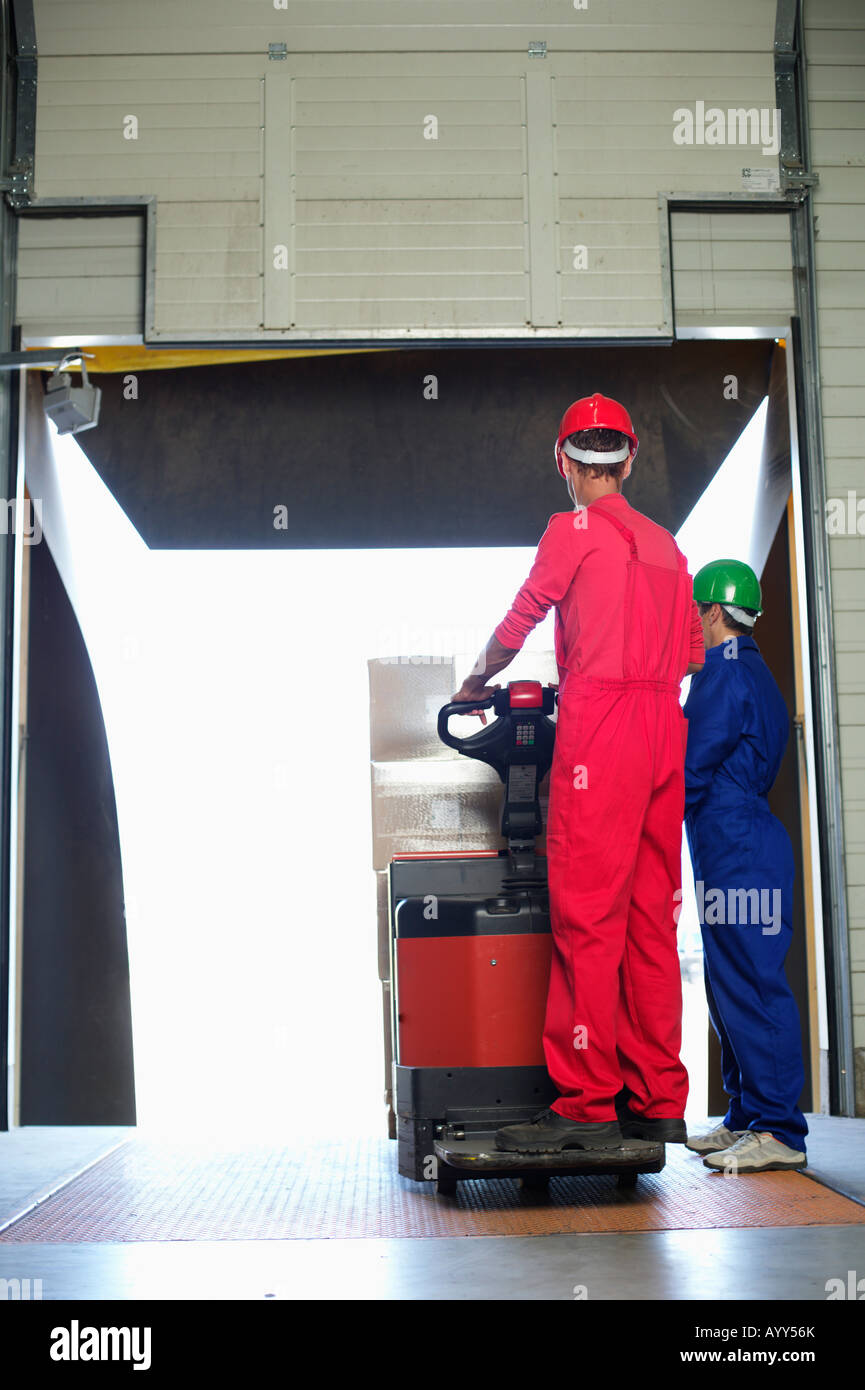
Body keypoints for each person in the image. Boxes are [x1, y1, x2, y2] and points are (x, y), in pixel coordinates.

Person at [451, 393, 704, 1153]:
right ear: (627, 460)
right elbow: (692, 654)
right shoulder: (667, 545)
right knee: (650, 921)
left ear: (564, 462)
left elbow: (520, 619)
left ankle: (587, 1104)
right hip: (664, 729)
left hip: (603, 729)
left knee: (587, 919)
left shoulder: (570, 531)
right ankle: (657, 1099)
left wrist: (474, 684)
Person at [683, 560, 808, 1172]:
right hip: (735, 845)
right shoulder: (753, 670)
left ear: (710, 611)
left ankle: (780, 1130)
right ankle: (745, 1116)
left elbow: (690, 765)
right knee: (728, 980)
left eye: (694, 612)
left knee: (753, 984)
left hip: (738, 848)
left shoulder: (723, 675)